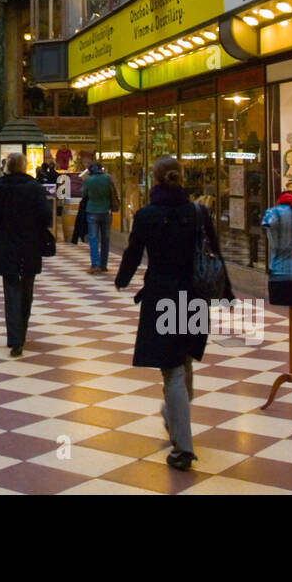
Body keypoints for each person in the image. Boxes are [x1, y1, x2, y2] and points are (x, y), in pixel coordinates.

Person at [115, 156, 232, 472]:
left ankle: (183, 447)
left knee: (173, 370)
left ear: (154, 180)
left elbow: (133, 253)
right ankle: (175, 416)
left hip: (164, 297)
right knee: (182, 361)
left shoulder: (147, 215)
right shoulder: (198, 213)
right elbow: (215, 253)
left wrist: (122, 279)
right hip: (193, 297)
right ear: (182, 178)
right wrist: (228, 292)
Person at [0, 152, 51, 356]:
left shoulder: (2, 187)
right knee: (27, 290)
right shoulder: (35, 188)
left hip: (7, 245)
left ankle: (15, 339)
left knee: (11, 290)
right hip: (30, 245)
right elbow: (45, 216)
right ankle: (21, 332)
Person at [82, 160, 119, 273]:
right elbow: (113, 192)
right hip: (106, 211)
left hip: (92, 210)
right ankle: (104, 264)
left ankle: (95, 264)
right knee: (105, 239)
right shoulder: (108, 178)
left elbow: (84, 194)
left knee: (93, 239)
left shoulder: (88, 180)